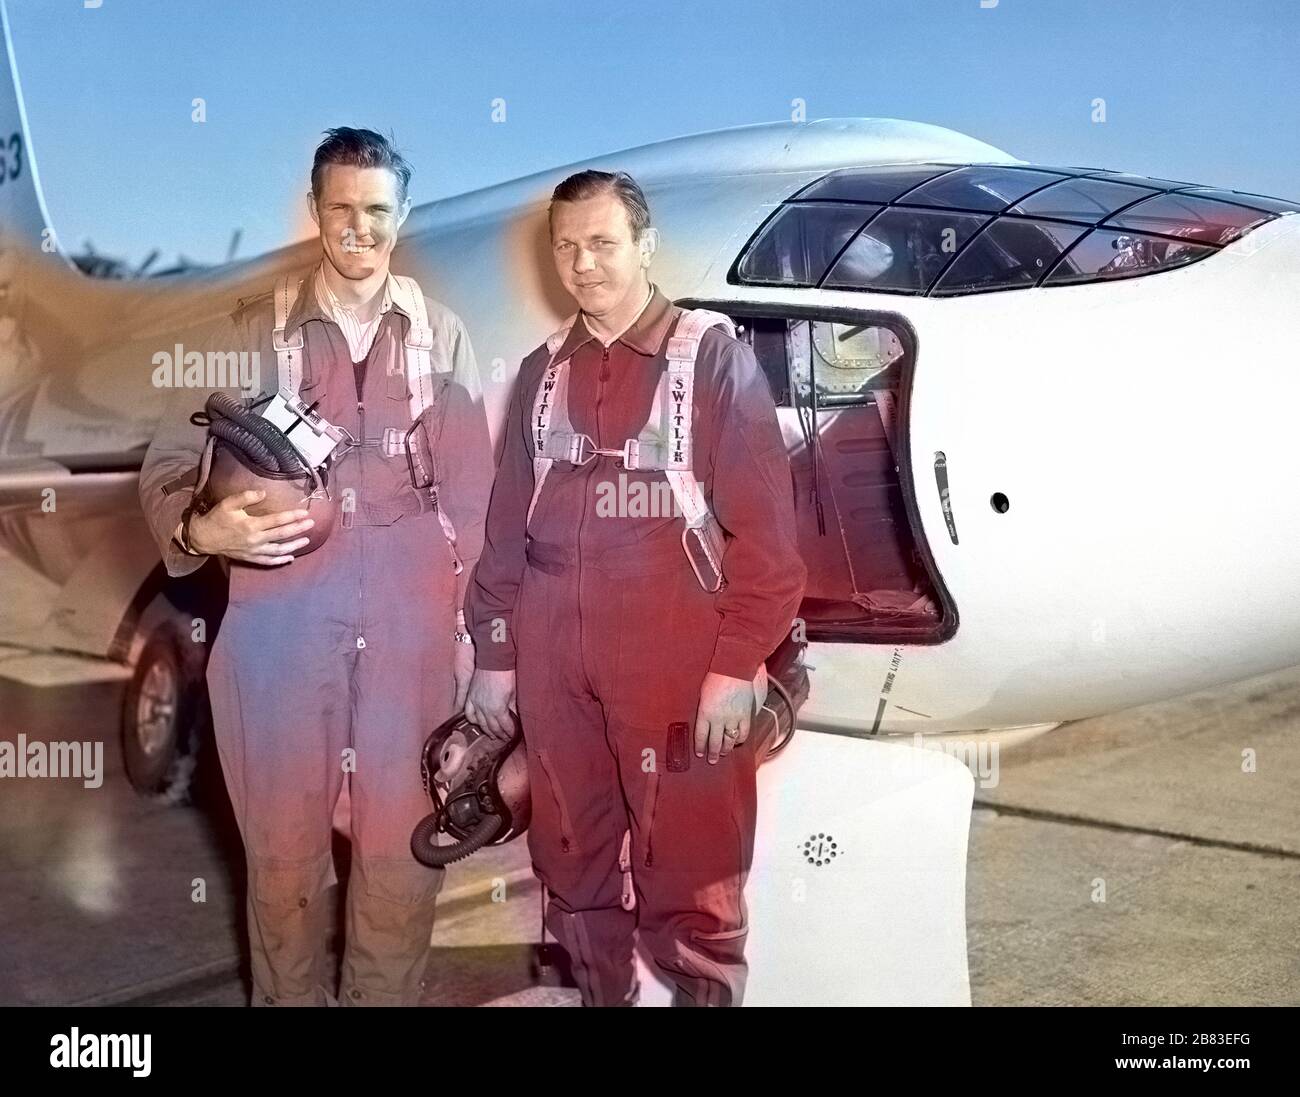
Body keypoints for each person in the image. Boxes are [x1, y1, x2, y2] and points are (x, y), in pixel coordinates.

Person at [138, 127, 493, 1006]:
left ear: (401, 214)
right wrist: (201, 530)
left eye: (377, 210)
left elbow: (479, 504)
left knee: (401, 854)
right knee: (284, 856)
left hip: (414, 620)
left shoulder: (444, 336)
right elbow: (167, 465)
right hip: (278, 619)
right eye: (342, 208)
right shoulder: (251, 329)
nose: (359, 228)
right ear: (315, 211)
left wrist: (494, 657)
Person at [465, 169, 806, 1006]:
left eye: (603, 243)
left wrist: (735, 663)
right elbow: (505, 529)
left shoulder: (712, 359)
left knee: (694, 868)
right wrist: (496, 653)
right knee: (570, 860)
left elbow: (768, 540)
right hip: (554, 658)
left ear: (645, 245)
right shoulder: (541, 375)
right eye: (567, 247)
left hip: (679, 662)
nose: (584, 264)